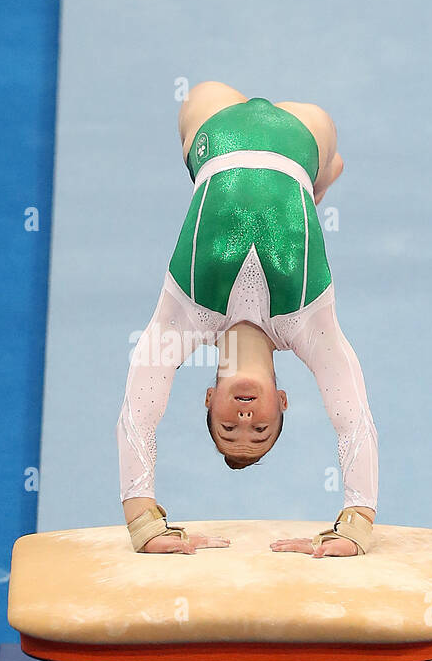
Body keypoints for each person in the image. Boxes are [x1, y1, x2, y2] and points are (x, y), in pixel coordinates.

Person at [116, 81, 378, 557]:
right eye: (259, 429)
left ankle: (319, 183)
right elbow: (353, 417)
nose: (243, 419)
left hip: (214, 128)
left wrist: (143, 521)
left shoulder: (187, 317)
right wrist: (356, 524)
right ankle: (322, 180)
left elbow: (139, 403)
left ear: (209, 398)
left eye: (227, 428)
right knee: (323, 150)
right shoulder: (307, 322)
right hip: (303, 136)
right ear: (281, 400)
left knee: (199, 99)